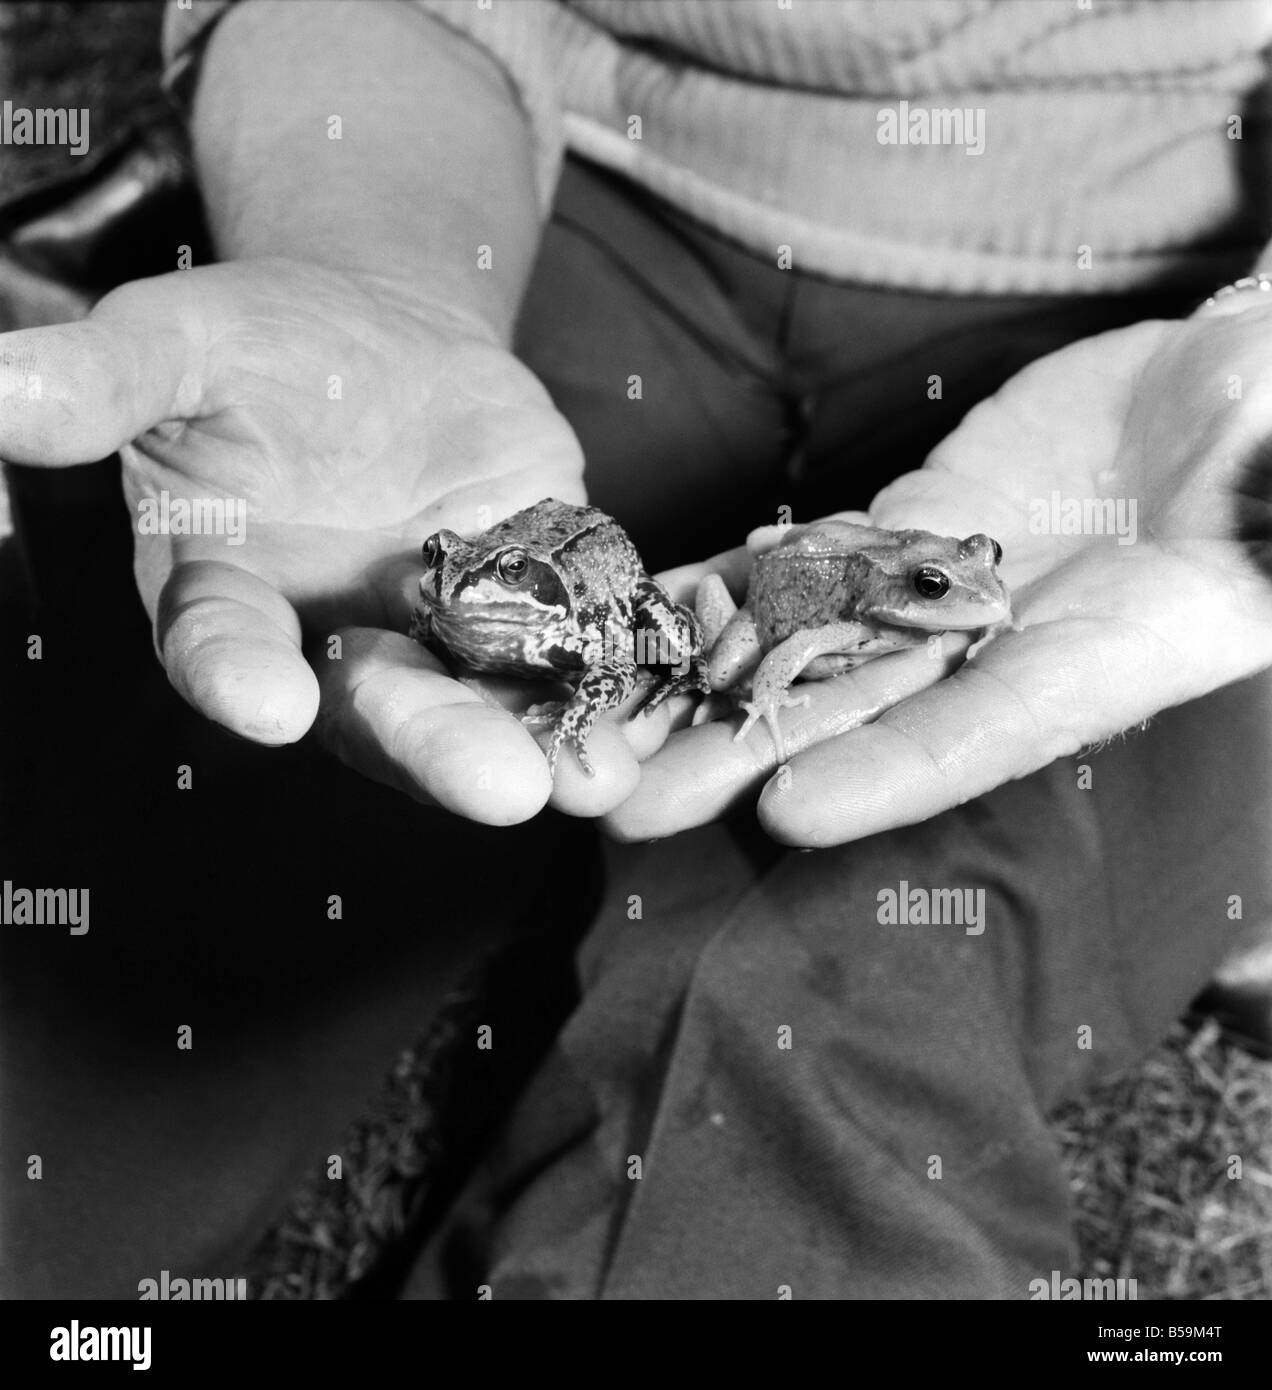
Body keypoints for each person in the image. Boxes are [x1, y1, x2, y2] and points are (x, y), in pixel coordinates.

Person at [2, 0, 1271, 1299]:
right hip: (526, 207)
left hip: (1170, 329)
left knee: (813, 1042)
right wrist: (362, 264)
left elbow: (801, 650)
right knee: (85, 1035)